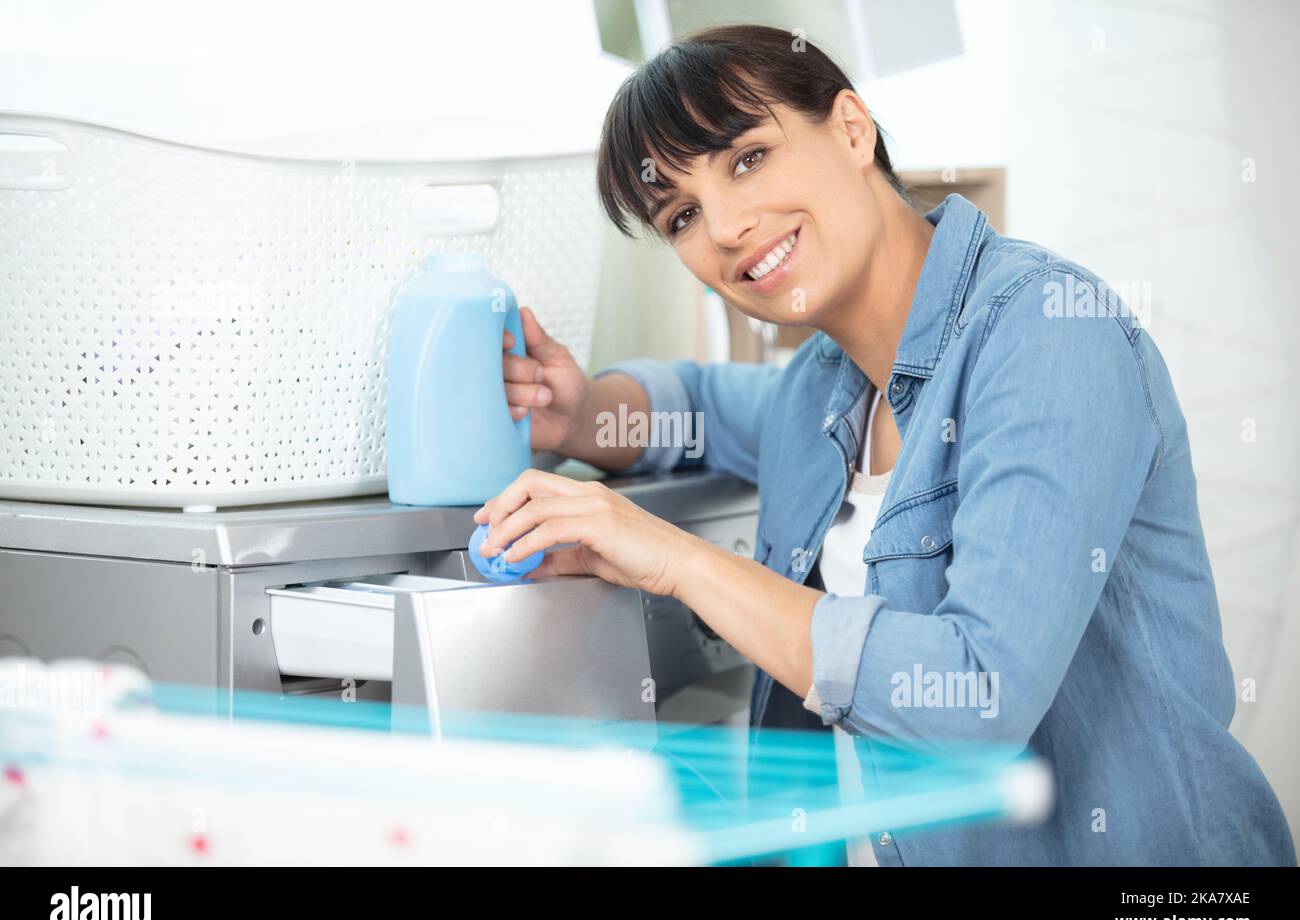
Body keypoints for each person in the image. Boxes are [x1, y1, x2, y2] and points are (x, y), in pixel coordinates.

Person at [472, 24, 1294, 866]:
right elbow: (702, 406)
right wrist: (580, 416)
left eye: (747, 159)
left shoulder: (1046, 335)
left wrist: (671, 557)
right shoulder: (820, 391)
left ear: (853, 128)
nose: (723, 225)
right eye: (680, 214)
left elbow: (979, 696)